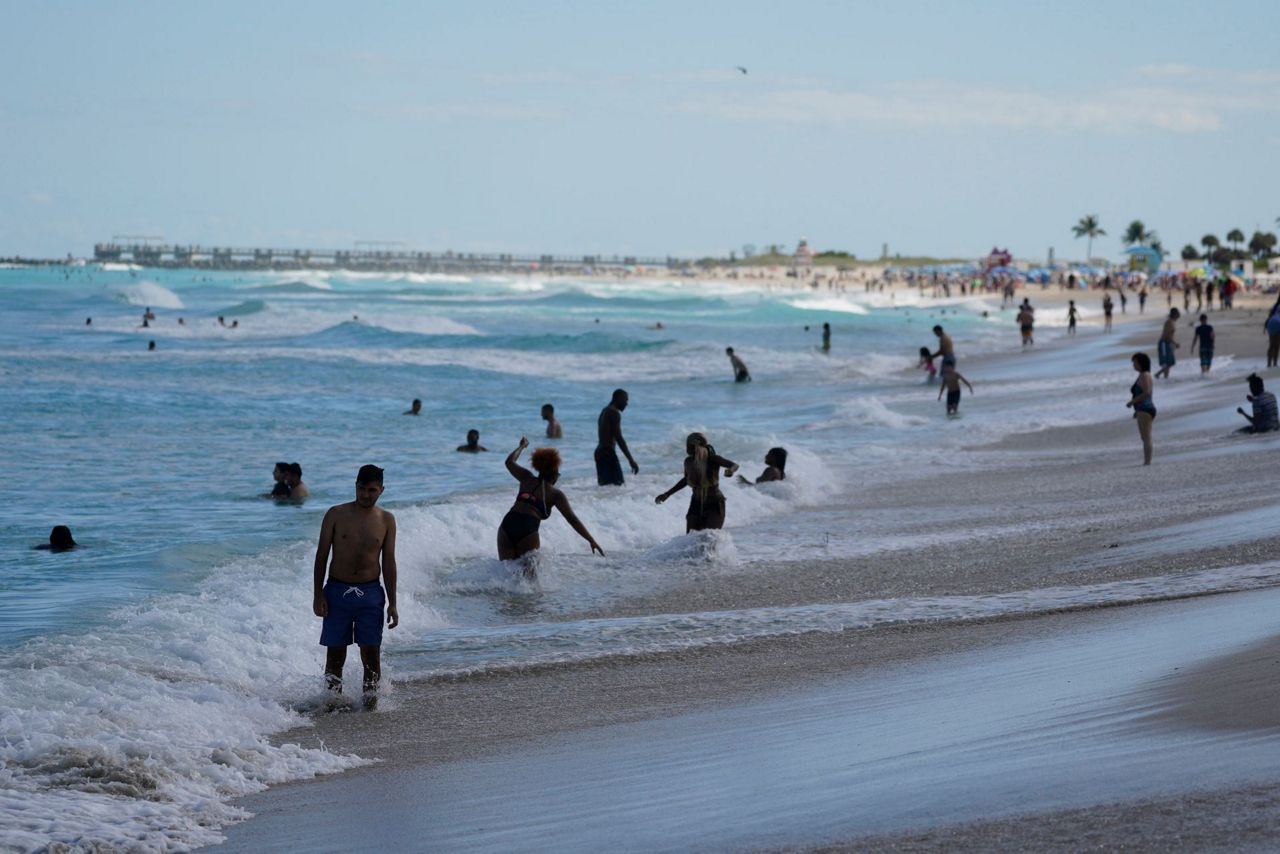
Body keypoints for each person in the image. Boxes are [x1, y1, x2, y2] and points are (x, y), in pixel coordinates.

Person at [312, 464, 398, 708]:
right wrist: (318, 595)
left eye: (372, 490)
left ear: (381, 490)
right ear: (355, 486)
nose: (366, 495)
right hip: (337, 591)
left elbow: (389, 563)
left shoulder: (386, 520)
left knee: (371, 654)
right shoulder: (335, 514)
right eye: (361, 489)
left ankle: (370, 708)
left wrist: (393, 603)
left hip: (370, 594)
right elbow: (321, 556)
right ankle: (332, 705)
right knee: (335, 654)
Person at [497, 438, 604, 570]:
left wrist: (521, 447)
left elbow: (509, 462)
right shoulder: (555, 494)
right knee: (530, 581)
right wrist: (591, 540)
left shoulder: (526, 478)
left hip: (508, 523)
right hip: (527, 527)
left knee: (505, 574)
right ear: (554, 474)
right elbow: (572, 519)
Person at [655, 433, 739, 533]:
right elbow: (686, 479)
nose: (687, 449)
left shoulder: (713, 459)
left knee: (710, 539)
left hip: (715, 503)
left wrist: (731, 471)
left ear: (696, 446)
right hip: (696, 503)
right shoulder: (688, 461)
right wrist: (667, 494)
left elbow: (734, 465)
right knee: (691, 540)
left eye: (689, 446)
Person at [595, 389, 638, 485]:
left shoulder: (604, 411)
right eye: (625, 400)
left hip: (600, 453)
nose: (626, 404)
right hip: (607, 453)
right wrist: (631, 460)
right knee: (618, 484)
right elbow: (619, 438)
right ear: (618, 399)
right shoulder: (614, 413)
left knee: (605, 487)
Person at [1125, 353, 1156, 465]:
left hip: (1145, 408)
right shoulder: (1143, 375)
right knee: (1144, 437)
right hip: (1142, 409)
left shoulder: (1145, 375)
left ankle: (1147, 462)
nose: (1133, 365)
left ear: (1141, 363)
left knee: (1146, 437)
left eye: (1135, 362)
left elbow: (1147, 392)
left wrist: (1132, 402)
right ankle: (1147, 461)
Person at [1155, 308, 1180, 379]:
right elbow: (1167, 336)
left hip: (1168, 343)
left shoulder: (1171, 322)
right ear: (1175, 315)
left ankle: (1162, 376)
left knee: (1171, 362)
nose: (1179, 317)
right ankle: (1161, 376)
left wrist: (1173, 344)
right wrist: (1175, 343)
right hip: (1164, 343)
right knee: (1166, 362)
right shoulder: (1169, 323)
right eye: (1178, 315)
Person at [1264, 300, 1280, 368]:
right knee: (1277, 346)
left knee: (1272, 345)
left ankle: (1269, 363)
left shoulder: (1275, 305)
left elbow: (1270, 315)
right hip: (1278, 323)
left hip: (1272, 324)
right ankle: (1275, 363)